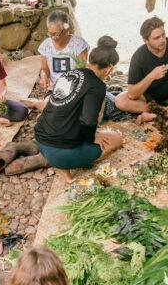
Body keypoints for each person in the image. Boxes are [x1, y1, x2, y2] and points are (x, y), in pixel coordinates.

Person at [33, 36, 124, 178]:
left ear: (90, 61)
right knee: (116, 139)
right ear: (109, 69)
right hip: (61, 153)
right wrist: (92, 137)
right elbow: (87, 121)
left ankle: (61, 166)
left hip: (39, 140)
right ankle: (66, 164)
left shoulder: (68, 73)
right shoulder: (97, 86)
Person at [38, 9, 89, 92]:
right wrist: (44, 77)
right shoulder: (46, 46)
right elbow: (44, 69)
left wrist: (64, 84)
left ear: (66, 29)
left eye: (56, 34)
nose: (53, 38)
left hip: (75, 90)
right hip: (53, 90)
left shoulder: (79, 45)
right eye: (50, 33)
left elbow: (81, 73)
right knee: (48, 100)